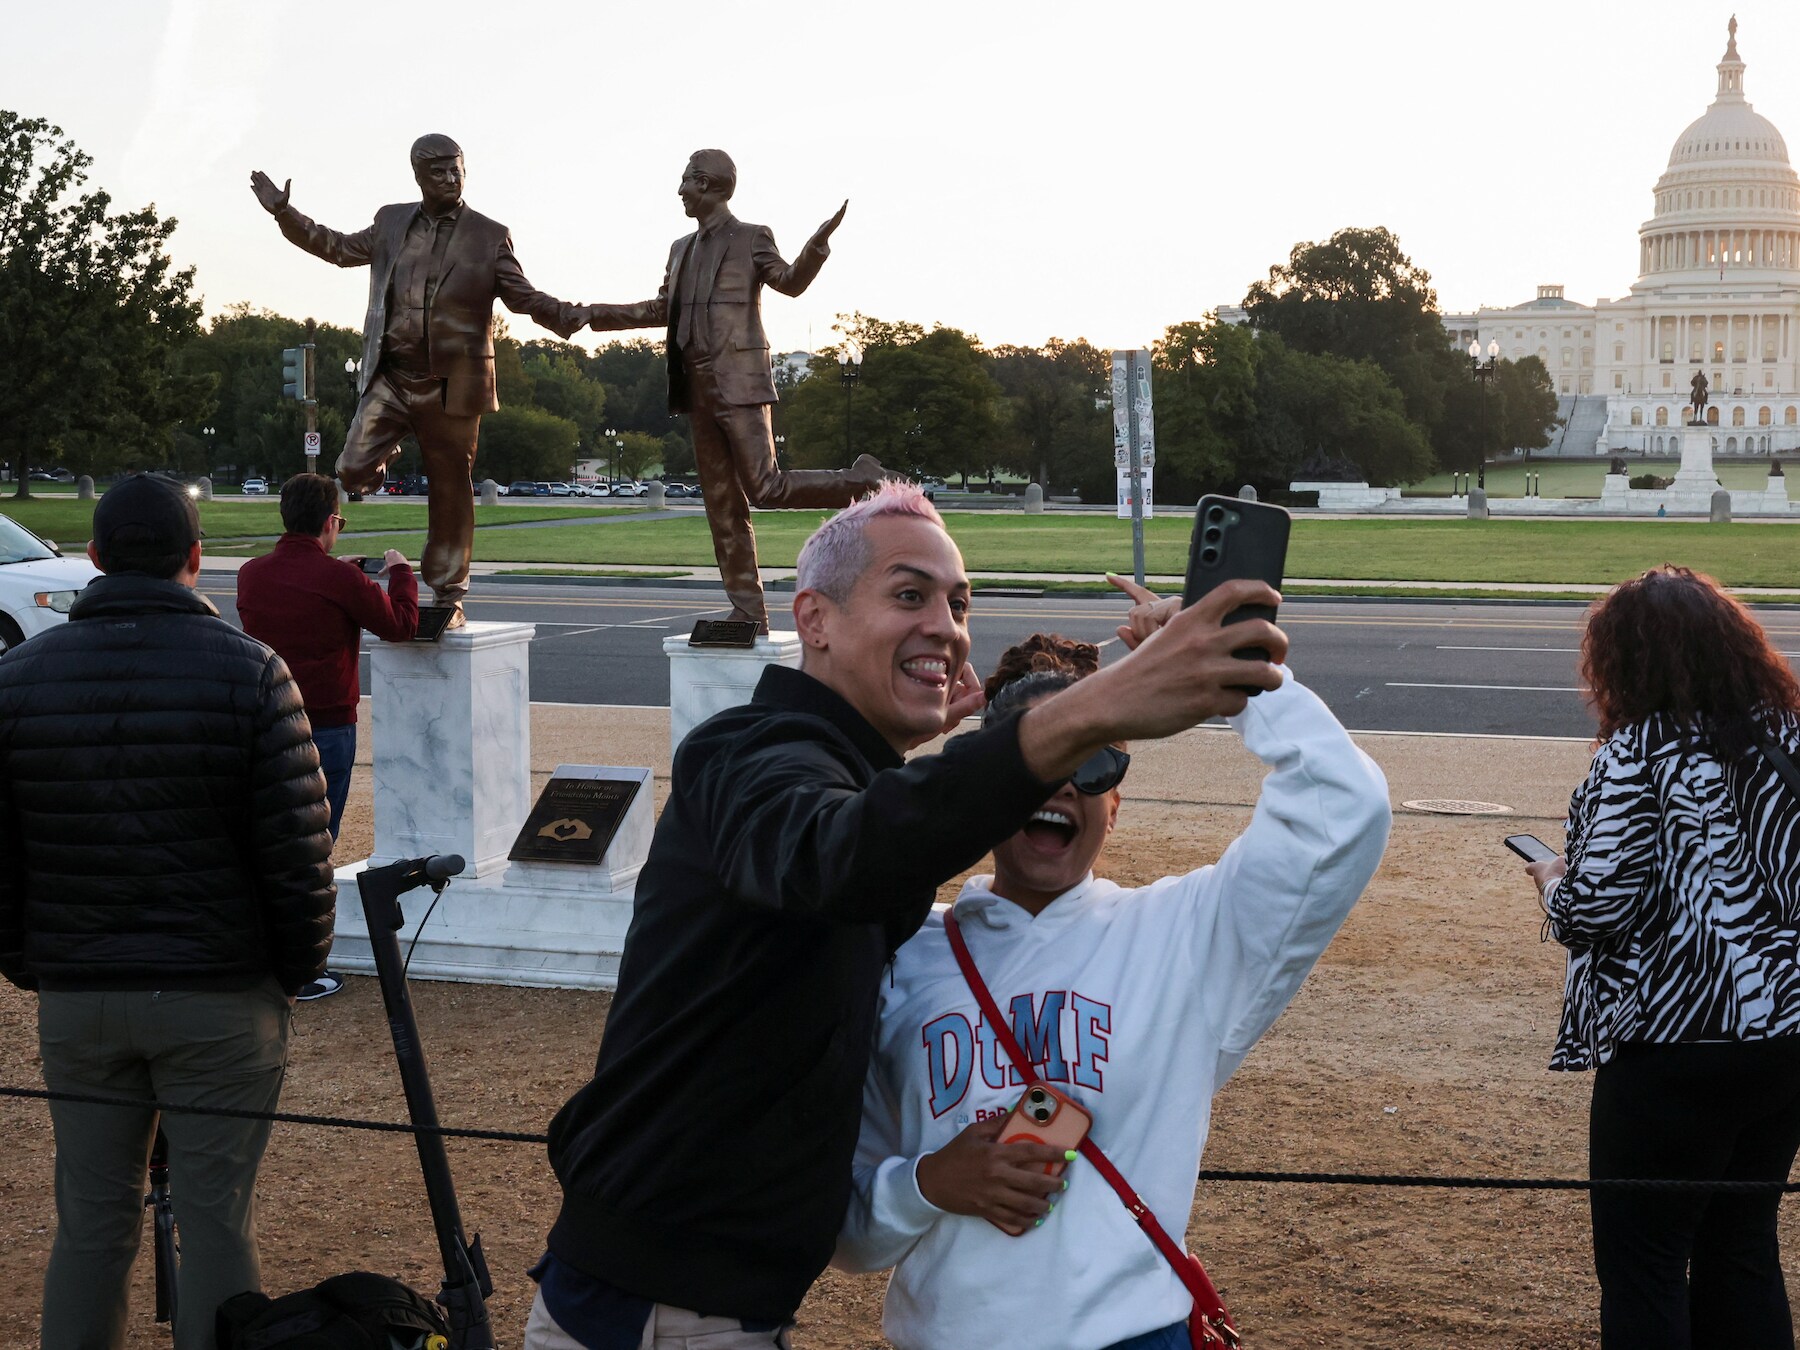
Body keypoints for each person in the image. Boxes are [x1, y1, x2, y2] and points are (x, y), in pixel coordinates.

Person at [529, 483, 1291, 1349]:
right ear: (815, 618)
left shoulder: (837, 774)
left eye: (958, 604)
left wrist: (903, 745)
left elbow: (865, 850)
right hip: (654, 1307)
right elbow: (833, 856)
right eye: (909, 594)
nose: (946, 627)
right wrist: (1085, 713)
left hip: (704, 1301)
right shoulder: (743, 752)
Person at [832, 617, 1390, 1349]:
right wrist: (931, 1183)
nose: (1064, 782)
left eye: (1093, 762)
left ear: (1116, 805)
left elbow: (1343, 807)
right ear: (985, 787)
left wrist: (1241, 671)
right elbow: (846, 1232)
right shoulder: (900, 951)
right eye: (1038, 756)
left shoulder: (1183, 936)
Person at [0, 473, 336, 1350]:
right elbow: (298, 855)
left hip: (82, 988)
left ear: (96, 557)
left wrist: (35, 964)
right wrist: (293, 971)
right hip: (218, 989)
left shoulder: (18, 677)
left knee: (90, 1220)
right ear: (195, 558)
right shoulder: (251, 670)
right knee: (218, 1220)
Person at [1522, 565, 1800, 1349]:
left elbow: (1593, 910)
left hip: (1673, 1042)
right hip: (1785, 1032)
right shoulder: (1790, 736)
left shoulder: (1638, 752)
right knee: (1742, 1248)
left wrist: (1552, 882)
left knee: (1643, 1263)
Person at [250, 134, 597, 624]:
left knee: (451, 491)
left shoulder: (488, 235)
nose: (451, 179)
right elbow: (338, 248)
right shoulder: (391, 222)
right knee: (350, 470)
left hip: (451, 386)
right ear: (418, 175)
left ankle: (448, 594)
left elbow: (522, 295)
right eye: (439, 171)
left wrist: (564, 314)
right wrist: (286, 214)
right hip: (391, 376)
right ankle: (386, 451)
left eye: (458, 170)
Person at [585, 149, 887, 631]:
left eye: (686, 181)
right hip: (697, 387)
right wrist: (591, 314)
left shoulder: (751, 237)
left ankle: (861, 481)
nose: (680, 191)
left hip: (741, 381)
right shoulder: (680, 249)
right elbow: (660, 309)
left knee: (766, 487)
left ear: (707, 184)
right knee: (722, 505)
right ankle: (748, 612)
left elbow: (789, 283)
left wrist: (816, 247)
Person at [237, 473, 417, 998]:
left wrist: (343, 577)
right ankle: (301, 965)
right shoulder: (338, 579)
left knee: (267, 838)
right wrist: (400, 572)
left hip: (265, 720)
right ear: (331, 522)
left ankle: (256, 951)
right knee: (315, 847)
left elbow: (301, 595)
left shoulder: (251, 574)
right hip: (327, 725)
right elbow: (400, 624)